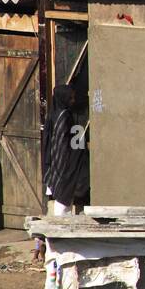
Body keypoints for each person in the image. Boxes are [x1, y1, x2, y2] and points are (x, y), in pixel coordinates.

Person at [43, 84, 89, 216]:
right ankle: (56, 232)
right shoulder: (63, 116)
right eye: (70, 98)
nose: (73, 101)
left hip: (56, 164)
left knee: (63, 200)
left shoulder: (54, 114)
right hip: (62, 166)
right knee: (63, 199)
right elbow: (61, 143)